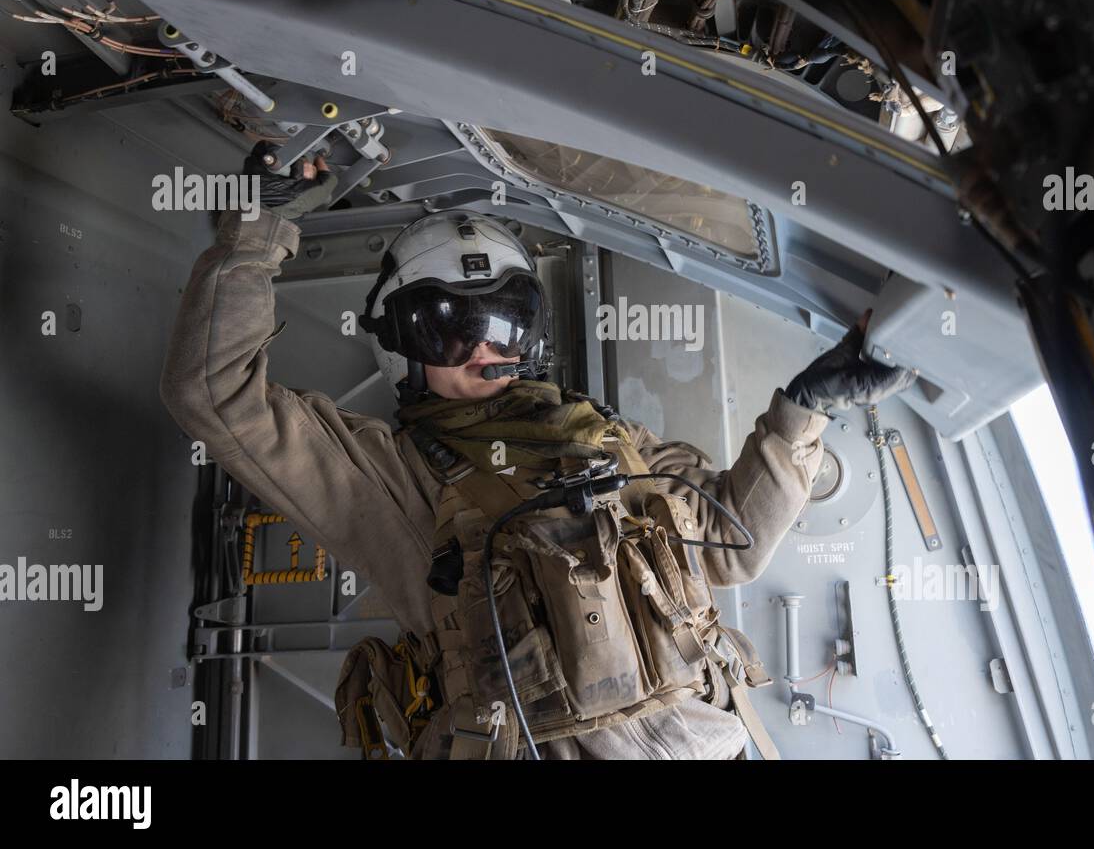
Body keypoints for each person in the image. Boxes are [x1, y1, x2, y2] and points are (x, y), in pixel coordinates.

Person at [160, 151, 916, 760]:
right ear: (401, 344)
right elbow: (214, 394)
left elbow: (731, 545)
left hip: (710, 740)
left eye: (505, 321)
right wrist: (254, 231)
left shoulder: (612, 440)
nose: (484, 348)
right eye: (448, 328)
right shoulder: (386, 477)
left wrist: (803, 409)